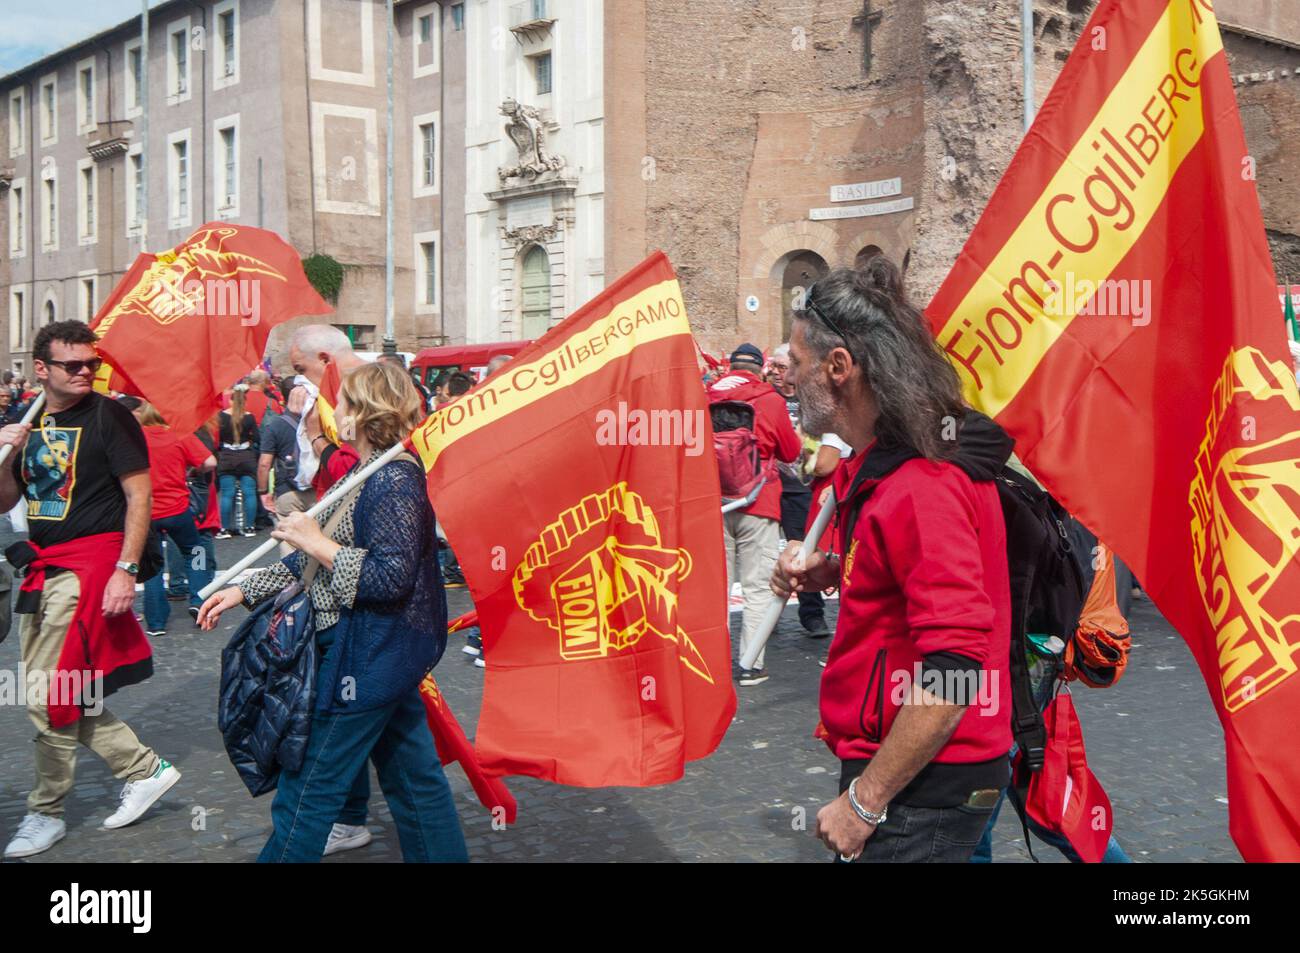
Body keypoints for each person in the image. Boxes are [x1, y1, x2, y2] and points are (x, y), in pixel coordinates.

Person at [773, 259, 1013, 863]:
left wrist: (865, 802)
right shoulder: (884, 464)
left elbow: (959, 662)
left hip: (923, 785)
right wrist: (834, 567)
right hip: (926, 767)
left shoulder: (920, 484)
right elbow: (905, 579)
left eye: (797, 366)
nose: (787, 382)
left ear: (839, 368)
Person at [198, 362, 468, 863]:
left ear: (363, 412)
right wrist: (246, 590)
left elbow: (388, 579)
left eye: (342, 400)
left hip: (364, 654)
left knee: (307, 793)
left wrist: (317, 540)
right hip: (375, 653)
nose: (334, 409)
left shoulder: (394, 479)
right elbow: (314, 561)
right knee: (414, 783)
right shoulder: (368, 473)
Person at [0, 321, 181, 859]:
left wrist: (126, 568)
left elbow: (139, 496)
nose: (85, 373)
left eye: (90, 364)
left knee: (48, 691)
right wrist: (7, 453)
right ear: (42, 370)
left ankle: (45, 811)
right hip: (44, 565)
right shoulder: (24, 418)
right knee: (60, 688)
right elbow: (7, 499)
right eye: (72, 365)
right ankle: (144, 768)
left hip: (91, 565)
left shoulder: (112, 416)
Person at [708, 342, 800, 686]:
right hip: (760, 503)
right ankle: (750, 665)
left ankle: (711, 665)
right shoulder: (770, 399)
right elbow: (790, 453)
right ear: (760, 367)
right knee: (758, 588)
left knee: (715, 589)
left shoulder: (702, 396)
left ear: (730, 367)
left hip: (713, 503)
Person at [124, 398, 217, 635]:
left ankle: (156, 622)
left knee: (152, 564)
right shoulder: (178, 435)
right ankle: (199, 600)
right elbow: (209, 462)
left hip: (146, 511)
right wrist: (189, 468)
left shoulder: (134, 439)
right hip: (177, 509)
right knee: (195, 551)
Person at [767, 343, 832, 638]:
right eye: (776, 368)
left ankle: (812, 615)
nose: (779, 374)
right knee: (767, 555)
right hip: (769, 488)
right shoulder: (767, 399)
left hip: (800, 487)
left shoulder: (811, 401)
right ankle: (766, 615)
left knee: (802, 551)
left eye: (784, 367)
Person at [258, 385, 316, 555]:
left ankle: (292, 578)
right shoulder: (319, 422)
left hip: (287, 490)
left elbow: (264, 463)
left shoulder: (275, 425)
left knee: (289, 540)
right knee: (317, 537)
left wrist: (263, 491)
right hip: (318, 489)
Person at [216, 385, 260, 538]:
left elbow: (218, 439)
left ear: (231, 401)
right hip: (246, 457)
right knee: (249, 492)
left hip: (227, 456)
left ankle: (225, 529)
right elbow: (257, 438)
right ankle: (249, 527)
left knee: (227, 494)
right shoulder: (249, 417)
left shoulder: (221, 416)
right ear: (245, 402)